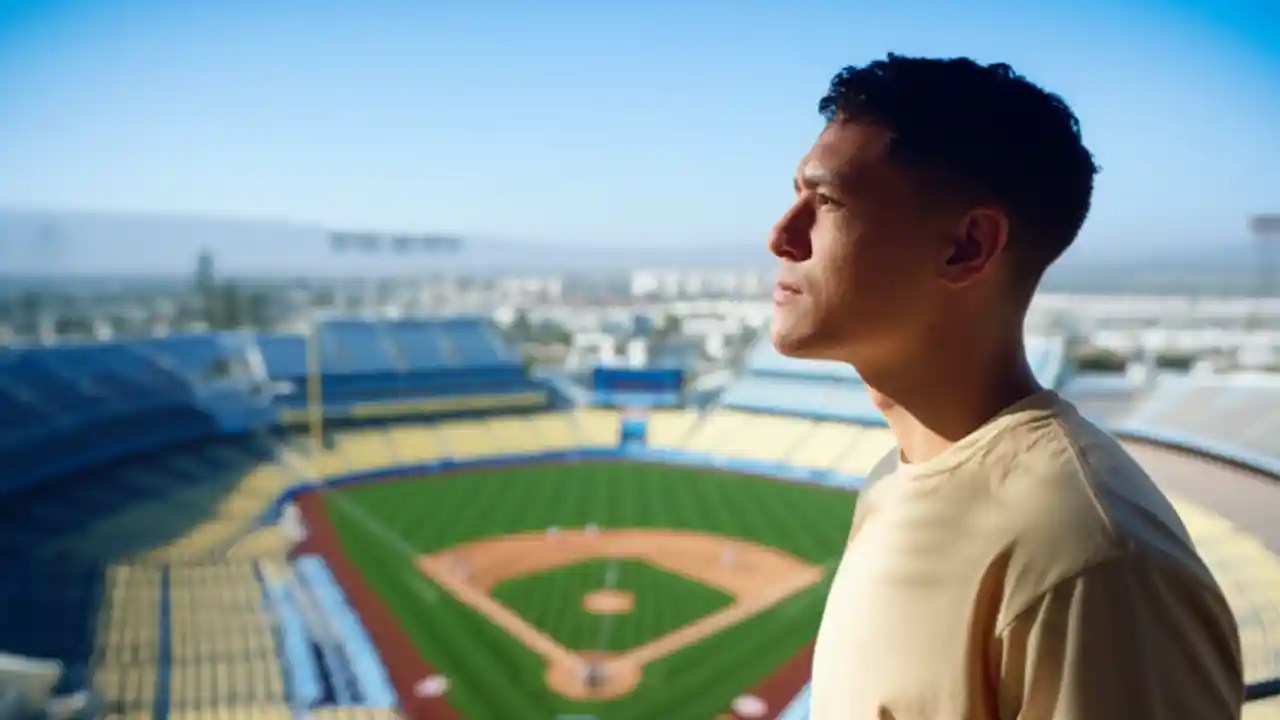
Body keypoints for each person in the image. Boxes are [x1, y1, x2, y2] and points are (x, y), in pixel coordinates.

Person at [768, 54, 1243, 719]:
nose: (781, 236)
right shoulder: (899, 476)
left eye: (826, 201)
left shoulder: (1087, 555)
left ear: (967, 246)